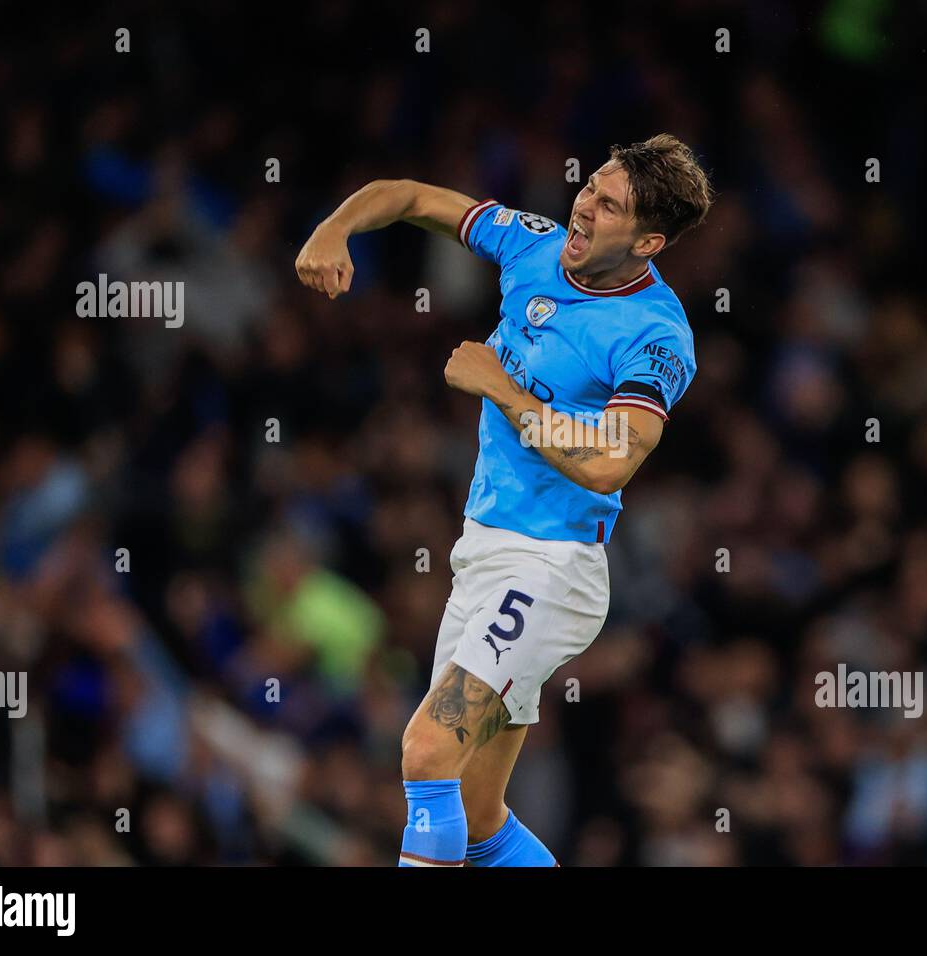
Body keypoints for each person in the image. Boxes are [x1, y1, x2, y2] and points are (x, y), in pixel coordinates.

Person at [295, 134, 713, 866]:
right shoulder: (536, 247)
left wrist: (500, 387)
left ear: (649, 240)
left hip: (553, 566)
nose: (583, 207)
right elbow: (413, 194)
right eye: (590, 187)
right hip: (486, 554)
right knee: (481, 818)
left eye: (608, 207)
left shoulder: (655, 336)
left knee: (427, 753)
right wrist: (335, 228)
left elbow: (612, 461)